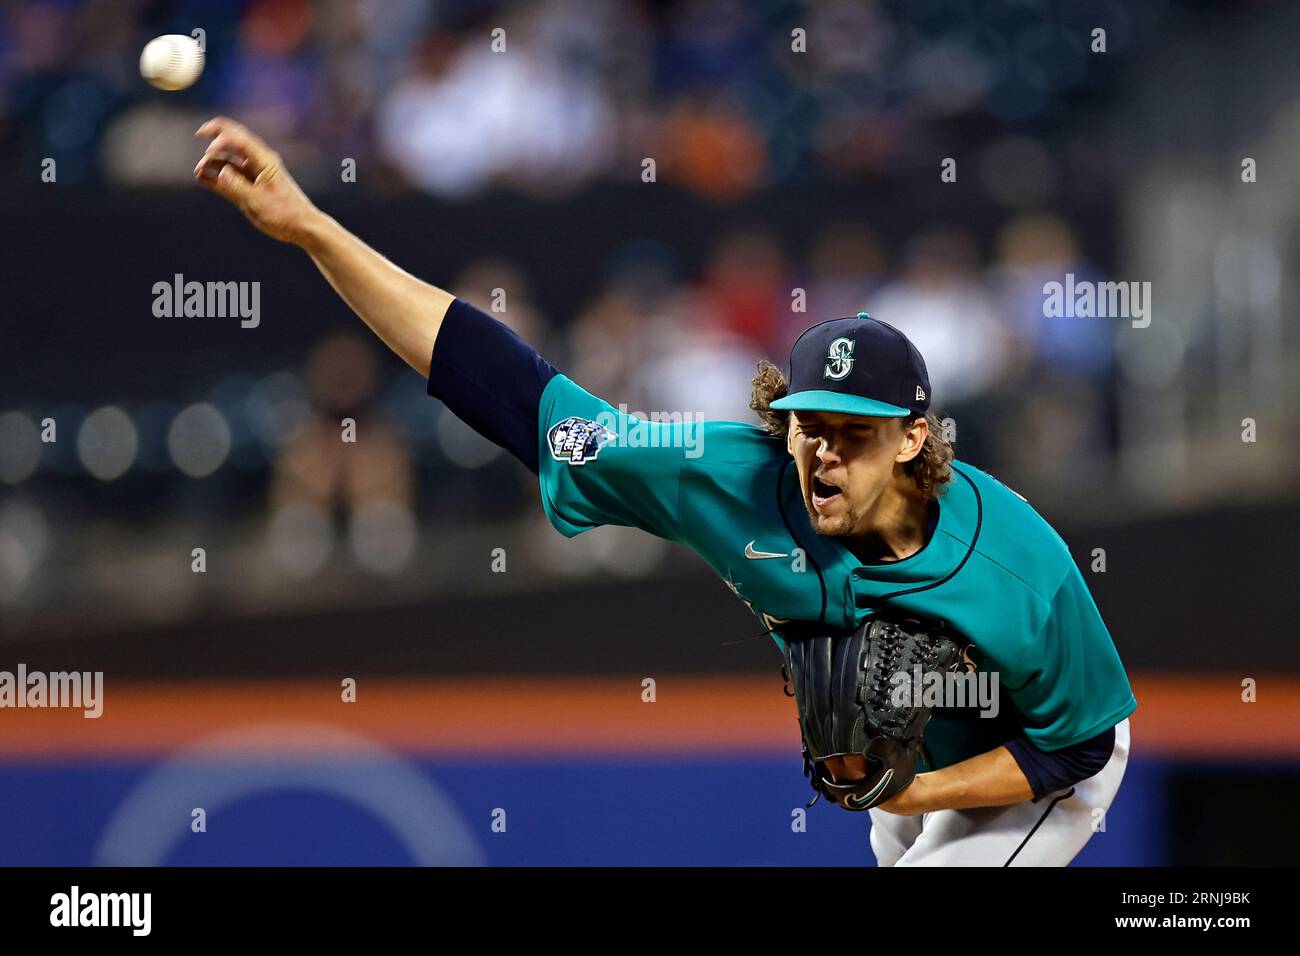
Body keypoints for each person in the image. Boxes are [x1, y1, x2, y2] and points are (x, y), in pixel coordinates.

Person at [193, 117, 1136, 866]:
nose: (824, 456)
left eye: (855, 436)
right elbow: (507, 385)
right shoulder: (724, 477)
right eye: (811, 427)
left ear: (914, 439)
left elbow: (1077, 747)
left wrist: (917, 795)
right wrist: (312, 228)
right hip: (910, 760)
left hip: (1038, 762)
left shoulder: (1022, 566)